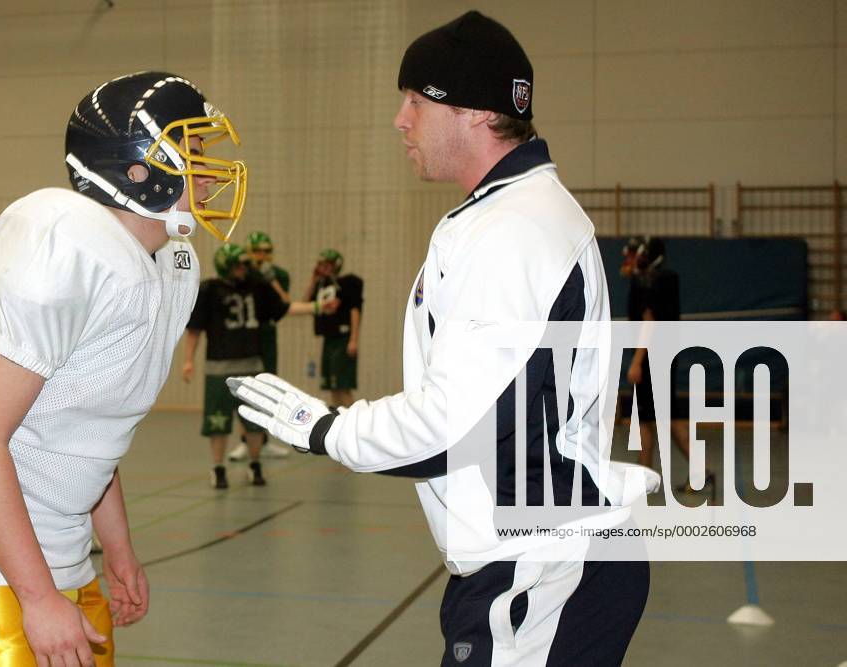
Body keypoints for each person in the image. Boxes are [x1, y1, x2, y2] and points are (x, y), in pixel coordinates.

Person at [228, 12, 656, 666]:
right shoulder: (514, 213)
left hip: (535, 565)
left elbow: (462, 421)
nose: (402, 120)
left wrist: (326, 428)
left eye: (416, 100)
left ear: (478, 113)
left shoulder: (512, 230)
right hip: (545, 555)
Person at [0, 71, 247, 667]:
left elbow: (89, 431)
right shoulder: (64, 238)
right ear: (139, 167)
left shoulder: (169, 264)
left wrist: (117, 547)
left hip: (57, 539)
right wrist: (36, 597)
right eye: (190, 152)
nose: (208, 170)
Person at [182, 243, 329, 488]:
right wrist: (188, 360)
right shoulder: (209, 290)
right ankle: (218, 468)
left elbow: (284, 308)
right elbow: (194, 330)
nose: (243, 269)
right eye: (238, 265)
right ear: (225, 266)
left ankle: (255, 463)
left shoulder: (257, 288)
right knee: (217, 422)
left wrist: (316, 307)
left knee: (254, 421)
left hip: (251, 366)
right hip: (219, 368)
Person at [623, 237, 714, 498]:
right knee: (661, 420)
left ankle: (645, 481)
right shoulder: (667, 279)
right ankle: (699, 471)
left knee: (649, 421)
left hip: (651, 361)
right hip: (665, 358)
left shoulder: (647, 282)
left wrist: (638, 361)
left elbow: (649, 323)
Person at [227, 231, 293, 461]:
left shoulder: (279, 275)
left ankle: (262, 440)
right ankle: (245, 441)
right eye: (257, 251)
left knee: (266, 389)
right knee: (242, 389)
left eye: (266, 251)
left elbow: (284, 304)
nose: (261, 256)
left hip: (266, 335)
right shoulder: (242, 274)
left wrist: (271, 281)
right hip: (244, 338)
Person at [303, 249, 364, 409]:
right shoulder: (321, 285)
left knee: (342, 386)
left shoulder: (347, 283)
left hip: (343, 338)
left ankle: (354, 420)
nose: (323, 268)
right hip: (328, 339)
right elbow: (306, 305)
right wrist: (313, 280)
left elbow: (355, 310)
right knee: (332, 385)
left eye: (327, 265)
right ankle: (340, 419)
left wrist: (353, 339)